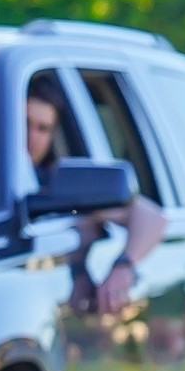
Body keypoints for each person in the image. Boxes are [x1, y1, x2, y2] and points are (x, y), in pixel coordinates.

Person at [24, 77, 169, 317]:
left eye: (43, 128)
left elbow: (152, 217)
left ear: (53, 136)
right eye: (24, 123)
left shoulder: (62, 185)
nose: (31, 136)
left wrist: (123, 266)